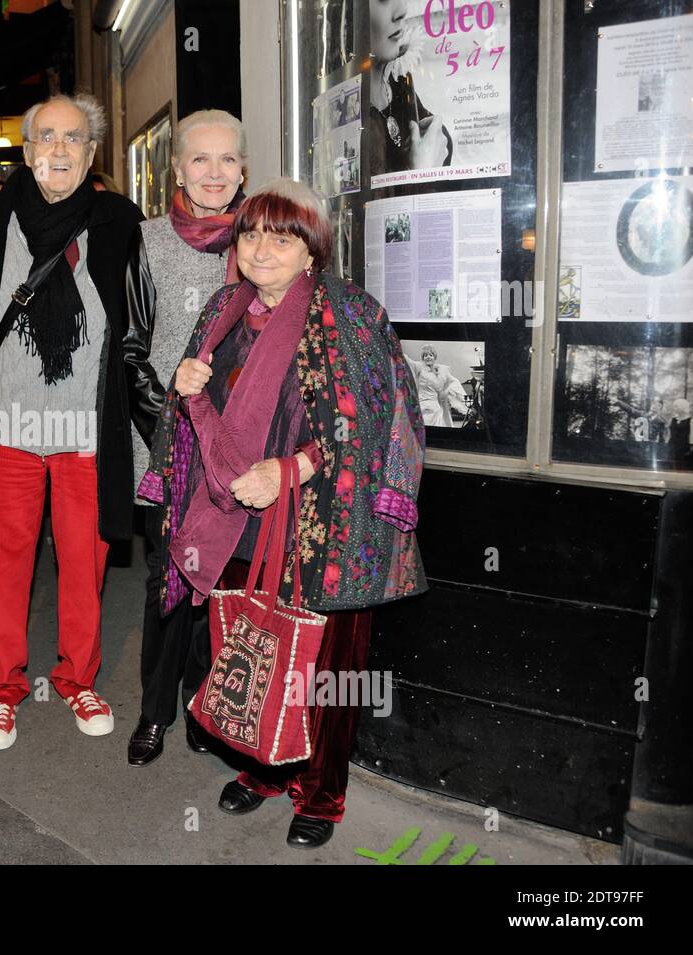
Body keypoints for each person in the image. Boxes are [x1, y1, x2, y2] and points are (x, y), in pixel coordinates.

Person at [143, 177, 426, 849]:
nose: (261, 248)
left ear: (311, 250)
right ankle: (264, 766)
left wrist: (289, 470)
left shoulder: (350, 315)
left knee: (325, 666)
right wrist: (182, 388)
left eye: (281, 235)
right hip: (234, 516)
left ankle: (321, 793)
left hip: (326, 523)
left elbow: (370, 424)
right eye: (250, 233)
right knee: (248, 646)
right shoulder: (221, 309)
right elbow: (196, 412)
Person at [0, 93, 154, 750]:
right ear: (28, 149)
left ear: (92, 155)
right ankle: (2, 692)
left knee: (83, 566)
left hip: (85, 433)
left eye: (74, 139)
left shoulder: (119, 219)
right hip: (8, 430)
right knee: (5, 567)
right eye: (48, 138)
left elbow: (138, 319)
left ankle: (77, 678)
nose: (60, 149)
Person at [124, 109, 248, 767]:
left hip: (246, 451)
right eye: (200, 159)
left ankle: (212, 706)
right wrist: (174, 434)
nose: (214, 172)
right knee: (168, 581)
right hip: (166, 447)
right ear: (177, 170)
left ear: (242, 169)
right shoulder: (146, 242)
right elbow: (131, 348)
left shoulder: (263, 237)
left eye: (227, 160)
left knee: (225, 584)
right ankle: (154, 712)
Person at [367, 0, 452, 175]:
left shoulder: (399, 85)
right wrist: (422, 172)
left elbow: (433, 131)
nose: (402, 11)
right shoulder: (355, 118)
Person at [404, 344, 468, 427]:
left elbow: (453, 382)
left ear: (434, 357)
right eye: (425, 355)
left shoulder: (442, 370)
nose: (428, 357)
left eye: (430, 355)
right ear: (423, 358)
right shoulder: (419, 367)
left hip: (436, 406)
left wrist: (446, 391)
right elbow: (407, 360)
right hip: (423, 404)